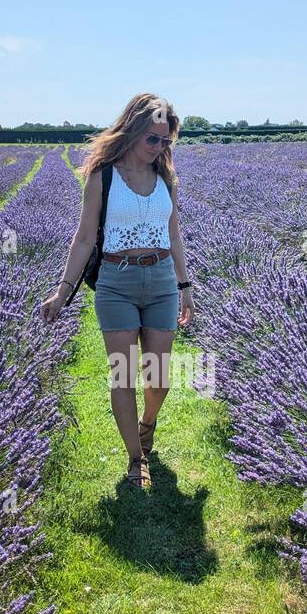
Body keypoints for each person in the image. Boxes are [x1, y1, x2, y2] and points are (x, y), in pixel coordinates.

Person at [40, 93, 194, 489]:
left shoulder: (166, 178)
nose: (159, 148)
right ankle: (135, 457)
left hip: (160, 280)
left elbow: (174, 234)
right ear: (133, 131)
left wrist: (185, 286)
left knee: (157, 376)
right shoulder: (103, 175)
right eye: (152, 139)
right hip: (116, 283)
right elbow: (84, 238)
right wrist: (62, 293)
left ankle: (147, 423)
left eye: (166, 141)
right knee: (123, 375)